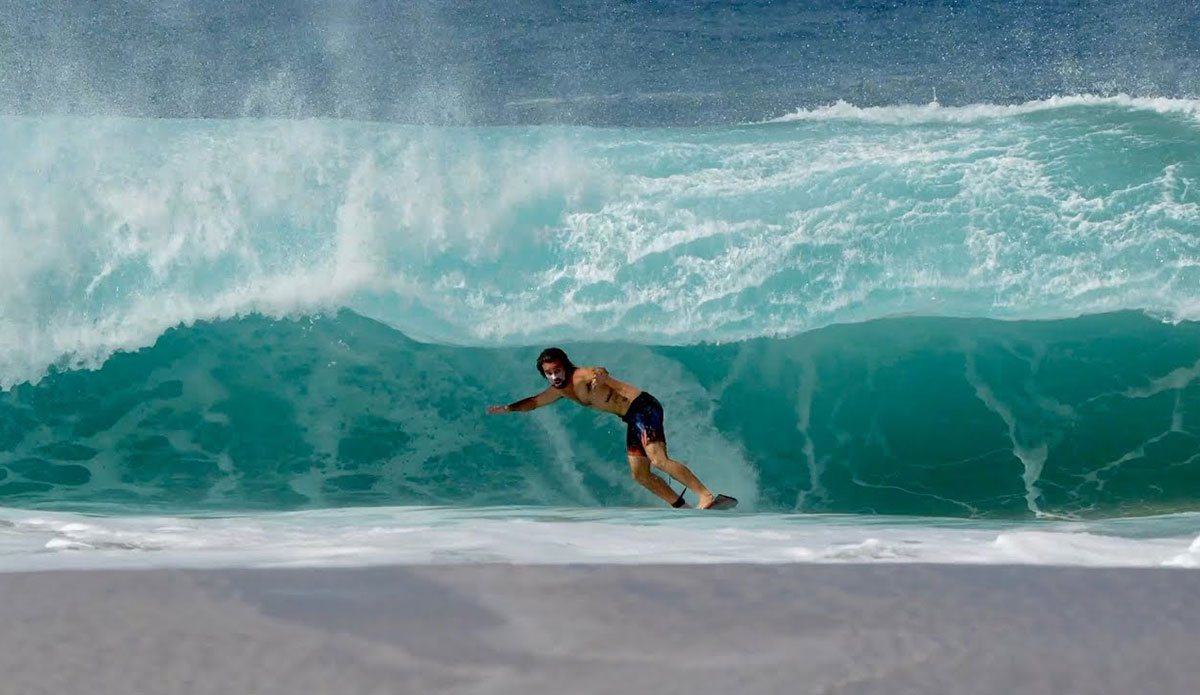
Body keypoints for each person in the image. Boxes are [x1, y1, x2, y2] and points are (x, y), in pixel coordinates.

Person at [486, 347, 719, 509]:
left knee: (658, 460)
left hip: (643, 407)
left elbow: (599, 370)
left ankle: (706, 495)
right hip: (630, 418)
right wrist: (509, 408)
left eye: (558, 370)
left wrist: (602, 376)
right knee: (640, 474)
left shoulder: (582, 375)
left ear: (565, 366)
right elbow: (534, 402)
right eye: (549, 373)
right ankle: (682, 507)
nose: (555, 376)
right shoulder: (557, 390)